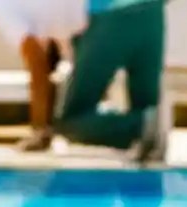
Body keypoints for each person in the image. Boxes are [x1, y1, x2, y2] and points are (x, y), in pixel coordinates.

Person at [0, 0, 87, 152]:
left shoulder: (0, 11)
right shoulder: (12, 7)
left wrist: (39, 130)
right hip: (91, 17)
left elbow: (37, 64)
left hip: (96, 15)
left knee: (74, 120)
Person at [56, 0, 168, 164]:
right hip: (152, 11)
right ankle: (148, 127)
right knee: (146, 106)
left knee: (71, 121)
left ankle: (140, 125)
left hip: (109, 14)